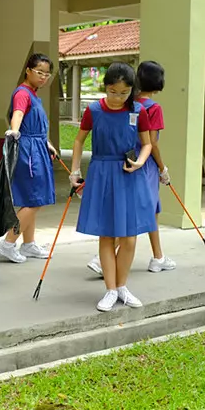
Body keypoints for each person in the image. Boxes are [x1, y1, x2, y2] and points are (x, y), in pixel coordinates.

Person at [70, 62, 157, 312]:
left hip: (130, 174)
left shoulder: (139, 111)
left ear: (132, 90)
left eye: (124, 92)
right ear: (105, 87)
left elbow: (147, 144)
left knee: (129, 237)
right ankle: (110, 289)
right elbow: (78, 140)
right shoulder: (94, 110)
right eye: (113, 91)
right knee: (107, 234)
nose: (118, 97)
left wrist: (140, 162)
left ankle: (122, 287)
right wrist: (75, 171)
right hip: (102, 172)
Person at [86, 61, 176, 276]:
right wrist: (163, 168)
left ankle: (158, 256)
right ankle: (105, 259)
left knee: (136, 212)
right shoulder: (152, 108)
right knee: (140, 213)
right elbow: (152, 143)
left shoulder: (127, 103)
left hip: (125, 163)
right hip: (144, 167)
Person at [0, 53, 58, 263]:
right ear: (28, 71)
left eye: (47, 74)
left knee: (33, 198)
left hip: (37, 146)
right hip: (29, 152)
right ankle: (8, 243)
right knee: (35, 199)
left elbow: (33, 123)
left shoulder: (34, 94)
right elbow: (18, 114)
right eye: (39, 72)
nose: (43, 77)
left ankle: (29, 244)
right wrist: (14, 131)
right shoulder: (22, 93)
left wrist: (46, 143)